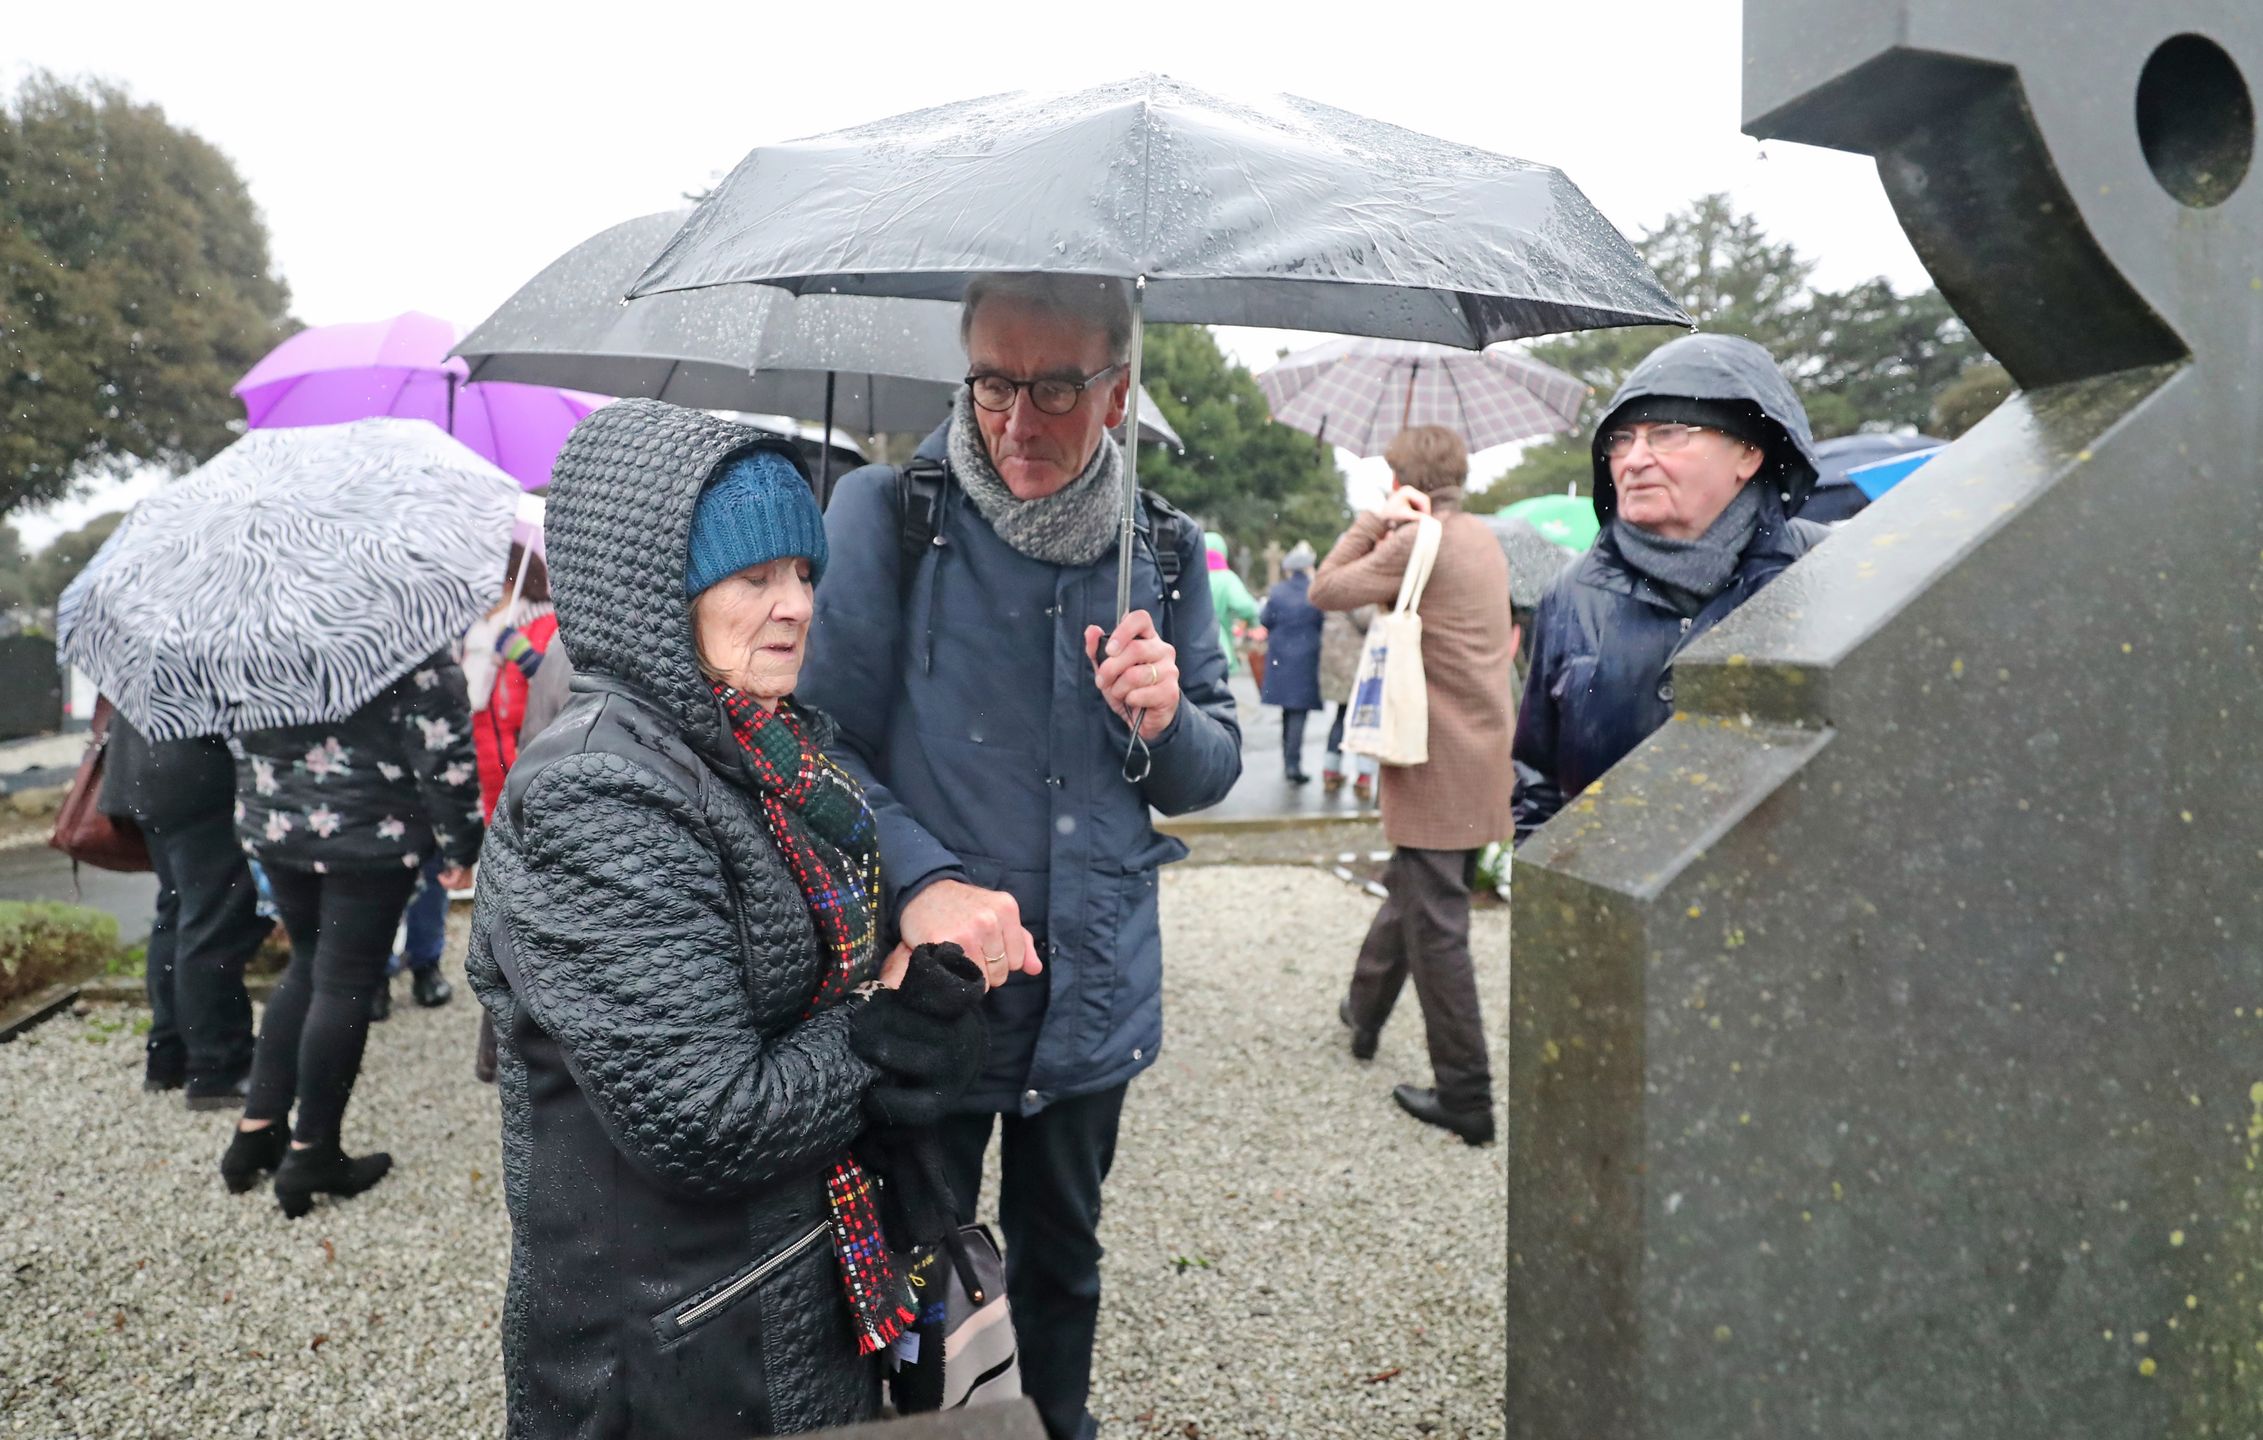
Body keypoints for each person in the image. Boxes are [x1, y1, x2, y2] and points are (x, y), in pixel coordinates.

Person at [466, 403, 996, 1438]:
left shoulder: (766, 747)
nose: (794, 605)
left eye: (802, 573)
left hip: (791, 1284)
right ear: (650, 590)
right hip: (676, 1345)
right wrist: (887, 1017)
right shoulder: (599, 794)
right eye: (753, 578)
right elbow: (705, 1116)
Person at [799, 272, 1242, 1440]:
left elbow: (1212, 766)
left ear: (1117, 391)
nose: (1015, 420)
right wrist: (927, 879)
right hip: (937, 991)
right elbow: (815, 741)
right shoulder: (889, 515)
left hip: (1091, 990)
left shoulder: (1165, 547)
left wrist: (1164, 721)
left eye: (1053, 387)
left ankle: (1058, 1424)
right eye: (992, 382)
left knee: (1064, 1262)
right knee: (911, 1271)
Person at [1512, 334, 1827, 842]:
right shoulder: (1571, 594)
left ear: (1748, 453)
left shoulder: (1821, 569)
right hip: (1607, 895)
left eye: (1667, 433)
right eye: (1621, 440)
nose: (1634, 460)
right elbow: (1536, 782)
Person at [215, 648, 485, 1214]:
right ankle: (312, 1150)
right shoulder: (405, 639)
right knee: (344, 979)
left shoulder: (260, 633)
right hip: (369, 833)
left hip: (279, 826)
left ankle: (255, 1132)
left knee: (310, 964)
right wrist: (462, 842)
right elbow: (444, 752)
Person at [1308, 425, 1513, 1146]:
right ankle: (1362, 1015)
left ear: (1404, 479)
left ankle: (1467, 1095)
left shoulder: (1415, 540)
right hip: (1481, 750)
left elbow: (1325, 587)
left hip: (1432, 757)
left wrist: (1377, 518)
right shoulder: (1482, 538)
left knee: (1437, 930)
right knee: (1414, 892)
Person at [375, 543, 556, 1024]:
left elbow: (554, 689)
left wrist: (518, 654)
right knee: (407, 870)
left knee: (483, 878)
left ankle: (449, 966)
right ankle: (382, 967)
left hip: (503, 776)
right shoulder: (451, 632)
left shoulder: (540, 626)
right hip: (441, 772)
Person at [100, 714, 268, 1108]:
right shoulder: (205, 648)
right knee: (212, 922)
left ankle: (169, 1054)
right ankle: (218, 1066)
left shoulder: (141, 648)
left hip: (143, 767)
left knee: (178, 909)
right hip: (198, 771)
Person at [1258, 541, 1325, 784]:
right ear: (1308, 567)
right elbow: (1321, 622)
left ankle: (1288, 760)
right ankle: (1293, 765)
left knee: (1288, 710)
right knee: (1298, 712)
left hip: (1280, 658)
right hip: (1307, 657)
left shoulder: (1277, 592)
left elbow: (1265, 619)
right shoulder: (1315, 592)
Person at [1318, 602, 1380, 802]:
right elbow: (1366, 618)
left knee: (1341, 717)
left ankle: (1330, 770)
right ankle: (1364, 776)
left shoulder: (1335, 585)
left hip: (1336, 663)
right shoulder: (1355, 589)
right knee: (1363, 719)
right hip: (1354, 665)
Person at [1204, 530, 1261, 676]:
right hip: (1217, 645)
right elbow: (1246, 606)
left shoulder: (1190, 576)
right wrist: (1252, 622)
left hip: (1186, 649)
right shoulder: (1226, 578)